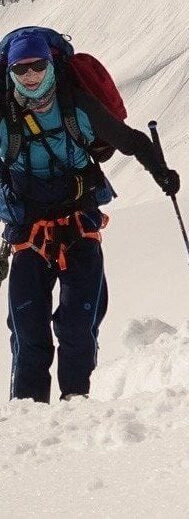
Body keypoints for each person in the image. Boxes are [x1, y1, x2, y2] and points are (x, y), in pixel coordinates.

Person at [0, 31, 179, 403]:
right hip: (27, 235)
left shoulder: (76, 105)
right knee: (28, 332)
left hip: (79, 226)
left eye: (37, 66)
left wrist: (161, 172)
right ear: (11, 73)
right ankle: (29, 420)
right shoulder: (5, 117)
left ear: (50, 66)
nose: (31, 76)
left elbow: (132, 141)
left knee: (79, 327)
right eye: (22, 70)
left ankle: (75, 409)